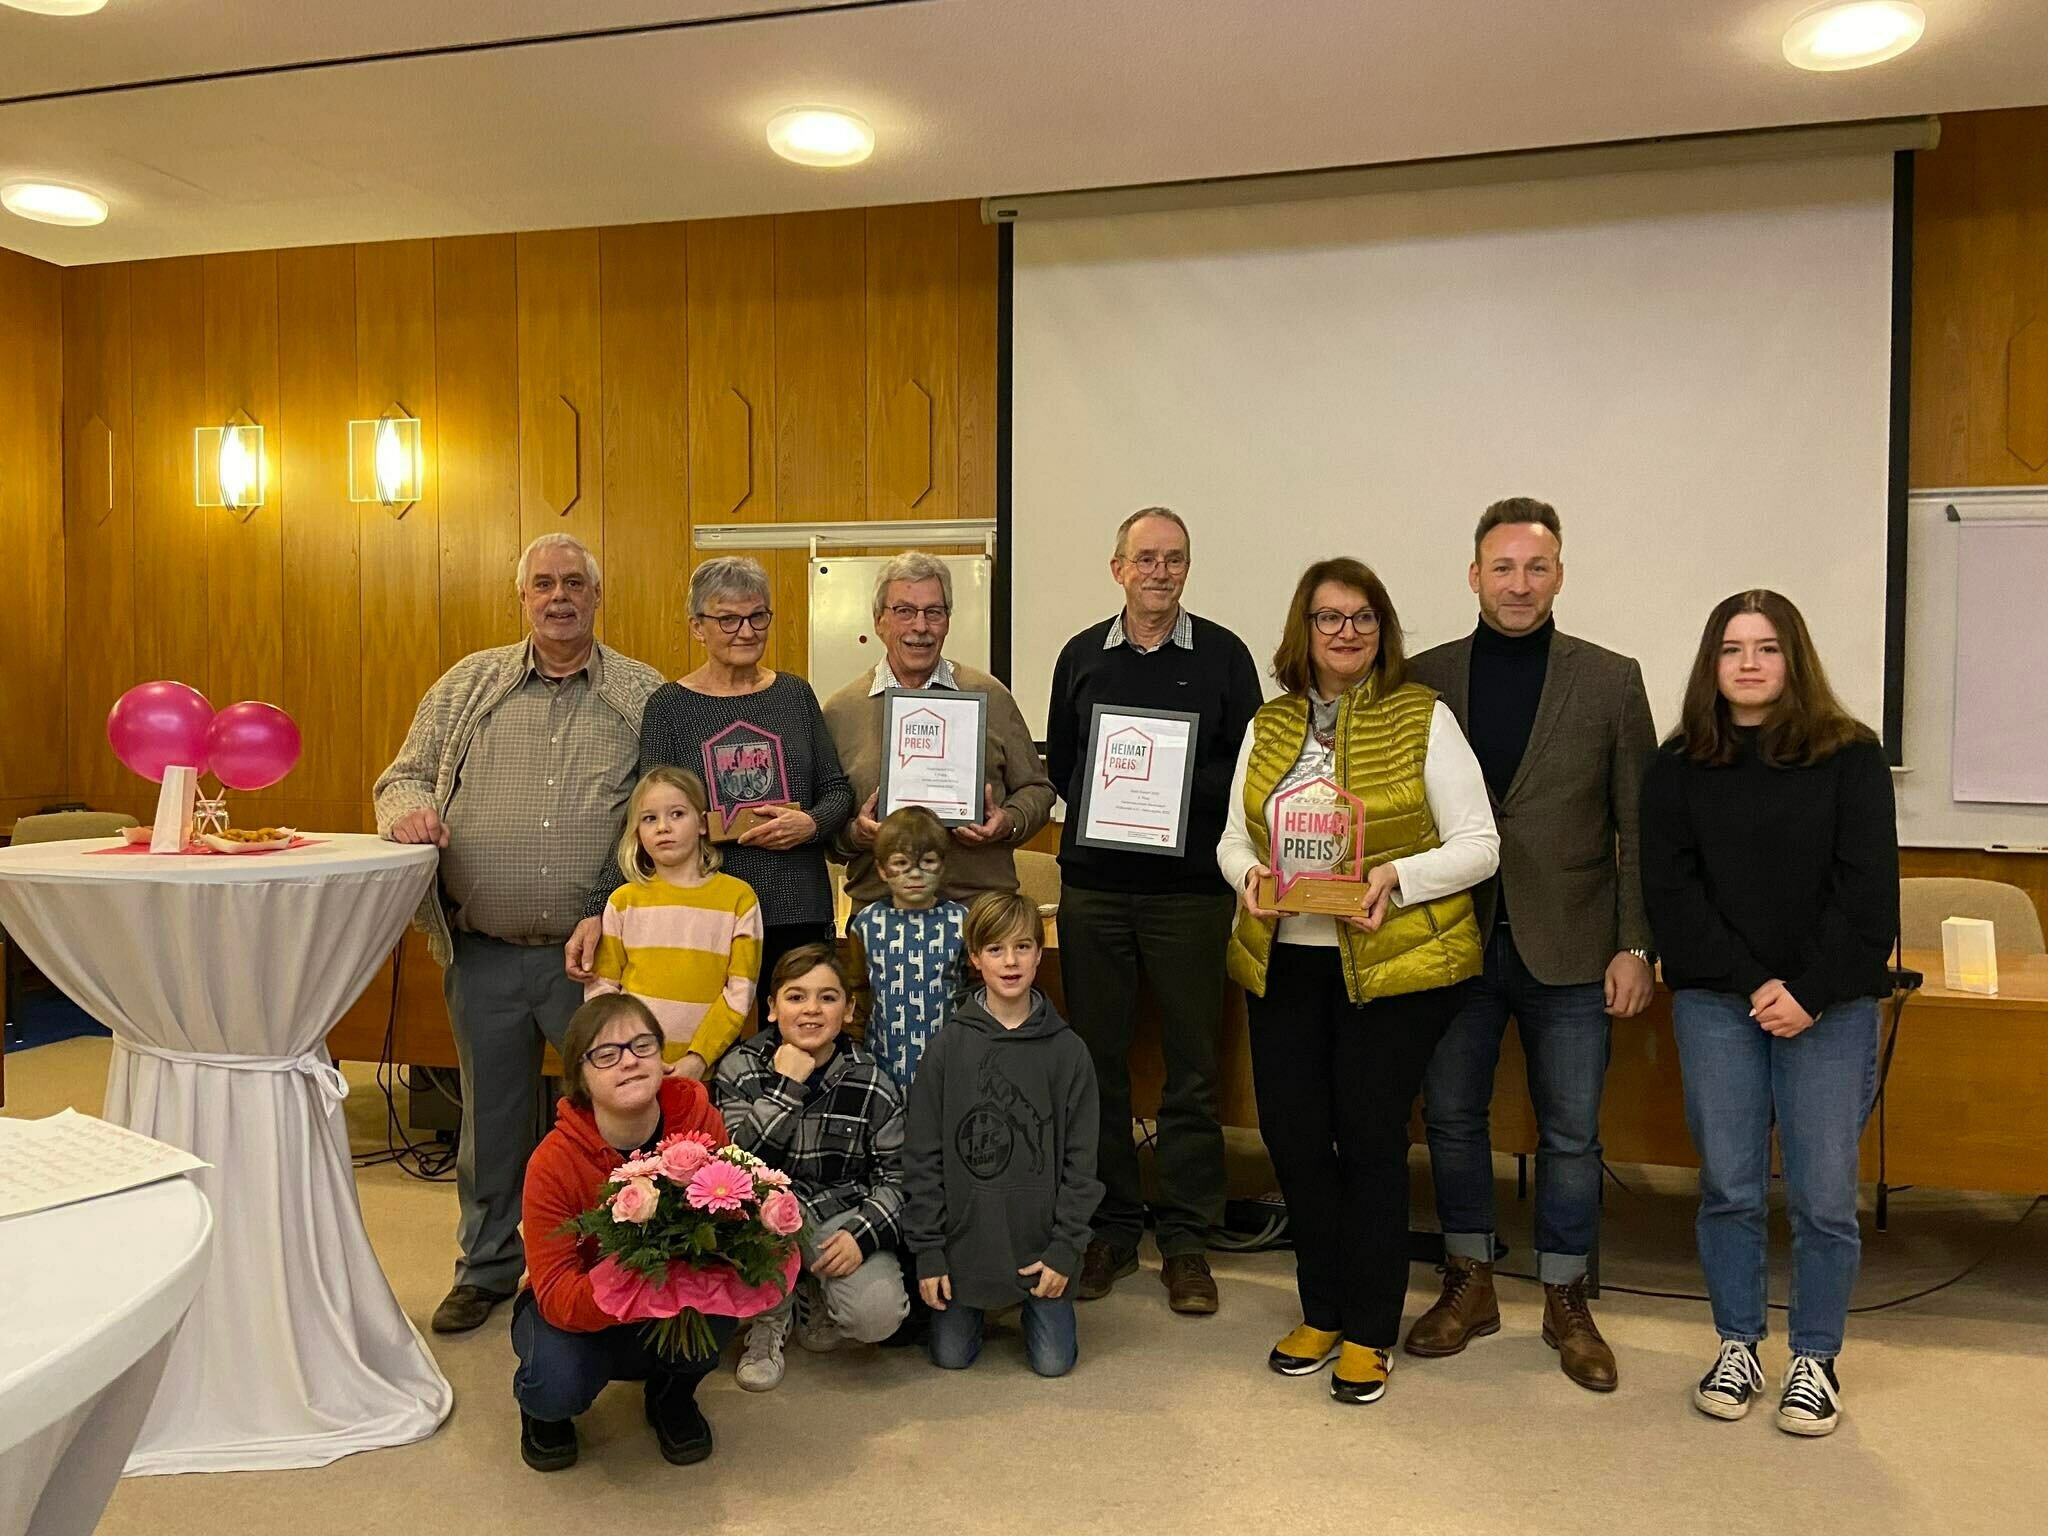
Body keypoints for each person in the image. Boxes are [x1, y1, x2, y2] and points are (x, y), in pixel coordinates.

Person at [1217, 557, 1499, 1406]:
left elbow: (1480, 844)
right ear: (1304, 630)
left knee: (1370, 1145)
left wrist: (1395, 878)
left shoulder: (1422, 716)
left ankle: (1370, 1329)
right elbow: (1233, 837)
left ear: (1383, 630)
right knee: (1296, 1143)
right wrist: (1247, 877)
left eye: (1363, 617)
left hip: (1387, 969)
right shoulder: (1270, 724)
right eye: (1330, 617)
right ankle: (1322, 1311)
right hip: (1285, 963)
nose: (1347, 632)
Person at [375, 532, 663, 1336]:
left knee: (613, 1117)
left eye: (573, 582)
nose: (558, 596)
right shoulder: (468, 685)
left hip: (597, 958)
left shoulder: (643, 694)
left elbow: (668, 809)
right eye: (543, 583)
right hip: (485, 954)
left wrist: (607, 902)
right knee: (491, 1122)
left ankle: (609, 1265)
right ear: (523, 597)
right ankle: (487, 1267)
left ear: (597, 597)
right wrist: (409, 814)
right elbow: (402, 778)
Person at [1405, 497, 1657, 1391]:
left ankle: (1565, 1295)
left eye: (1536, 568)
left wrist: (1636, 944)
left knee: (1573, 1135)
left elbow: (1639, 825)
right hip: (1452, 941)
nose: (1519, 584)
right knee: (1451, 1120)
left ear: (1559, 576)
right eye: (1503, 568)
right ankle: (1469, 1281)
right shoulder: (1422, 678)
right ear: (1474, 576)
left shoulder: (1612, 680)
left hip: (1575, 944)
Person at [1641, 589, 1898, 1438]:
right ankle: (1738, 1344)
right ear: (1710, 664)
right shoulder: (1678, 765)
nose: (1748, 664)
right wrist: (1756, 984)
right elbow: (1673, 897)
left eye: (1767, 647)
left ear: (1795, 659)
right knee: (1730, 1186)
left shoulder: (1852, 757)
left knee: (1824, 1197)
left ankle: (1815, 1358)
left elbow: (1869, 899)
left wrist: (1807, 993)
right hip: (1719, 1002)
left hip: (1831, 1006)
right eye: (1731, 649)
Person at [1044, 506, 1263, 1316]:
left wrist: (1169, 783)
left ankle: (1186, 1237)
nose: (1159, 572)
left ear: (1187, 569)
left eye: (1173, 559)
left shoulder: (1226, 656)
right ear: (1118, 569)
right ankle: (1108, 1226)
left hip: (1189, 895)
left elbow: (1247, 769)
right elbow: (1065, 766)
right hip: (1096, 890)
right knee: (1095, 1062)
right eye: (1145, 559)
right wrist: (1124, 793)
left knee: (1192, 1069)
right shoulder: (1080, 656)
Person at [568, 555, 853, 995]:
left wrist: (811, 824)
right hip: (704, 912)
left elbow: (836, 791)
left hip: (797, 906)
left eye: (758, 616)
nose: (747, 631)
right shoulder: (670, 708)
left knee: (800, 1027)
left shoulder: (795, 695)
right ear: (697, 627)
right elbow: (643, 816)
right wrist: (597, 907)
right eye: (728, 619)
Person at [512, 993, 735, 1472]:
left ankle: (671, 1394)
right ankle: (543, 1412)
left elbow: (727, 1221)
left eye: (642, 1045)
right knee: (557, 1383)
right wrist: (630, 1284)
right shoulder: (552, 1162)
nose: (629, 1061)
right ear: (580, 1078)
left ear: (661, 1055)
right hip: (580, 1308)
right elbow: (555, 1292)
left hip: (670, 1296)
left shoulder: (700, 1123)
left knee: (720, 1307)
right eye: (606, 1054)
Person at [903, 892, 1101, 1377]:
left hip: (1040, 1248)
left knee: (1054, 1364)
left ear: (1039, 953)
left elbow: (1082, 1165)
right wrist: (929, 1252)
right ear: (975, 957)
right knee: (950, 1357)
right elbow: (922, 1154)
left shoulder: (1069, 1052)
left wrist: (1064, 1251)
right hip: (964, 1248)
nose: (1010, 962)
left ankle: (1032, 1303)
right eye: (995, 949)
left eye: (1022, 947)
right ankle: (979, 1303)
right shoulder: (947, 1047)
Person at [713, 945, 910, 1392]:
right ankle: (770, 1317)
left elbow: (898, 1177)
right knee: (735, 1228)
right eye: (796, 997)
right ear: (772, 1007)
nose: (812, 1010)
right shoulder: (740, 1068)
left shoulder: (872, 1080)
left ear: (849, 1008)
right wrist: (786, 1087)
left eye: (828, 997)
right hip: (760, 1217)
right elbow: (734, 1169)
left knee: (878, 1315)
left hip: (836, 1211)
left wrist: (863, 1233)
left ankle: (809, 1286)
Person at [826, 552, 1055, 907]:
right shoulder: (841, 711)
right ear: (879, 621)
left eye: (934, 612)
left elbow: (1037, 790)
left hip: (979, 914)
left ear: (947, 621)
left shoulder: (990, 696)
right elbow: (827, 822)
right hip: (880, 915)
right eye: (904, 611)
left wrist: (1008, 821)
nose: (920, 626)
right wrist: (855, 834)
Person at [585, 765, 763, 1081]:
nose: (663, 827)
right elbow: (602, 992)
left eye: (677, 814)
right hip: (632, 1070)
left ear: (703, 823)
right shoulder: (623, 901)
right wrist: (627, 1054)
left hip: (704, 1073)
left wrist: (698, 1058)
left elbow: (739, 994)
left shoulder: (738, 899)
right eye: (649, 818)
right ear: (636, 832)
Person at [849, 806, 970, 1092]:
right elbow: (857, 992)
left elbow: (975, 990)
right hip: (882, 1063)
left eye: (927, 862)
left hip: (950, 1062)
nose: (915, 874)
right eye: (901, 863)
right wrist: (854, 1051)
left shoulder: (962, 921)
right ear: (882, 869)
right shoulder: (866, 924)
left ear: (942, 865)